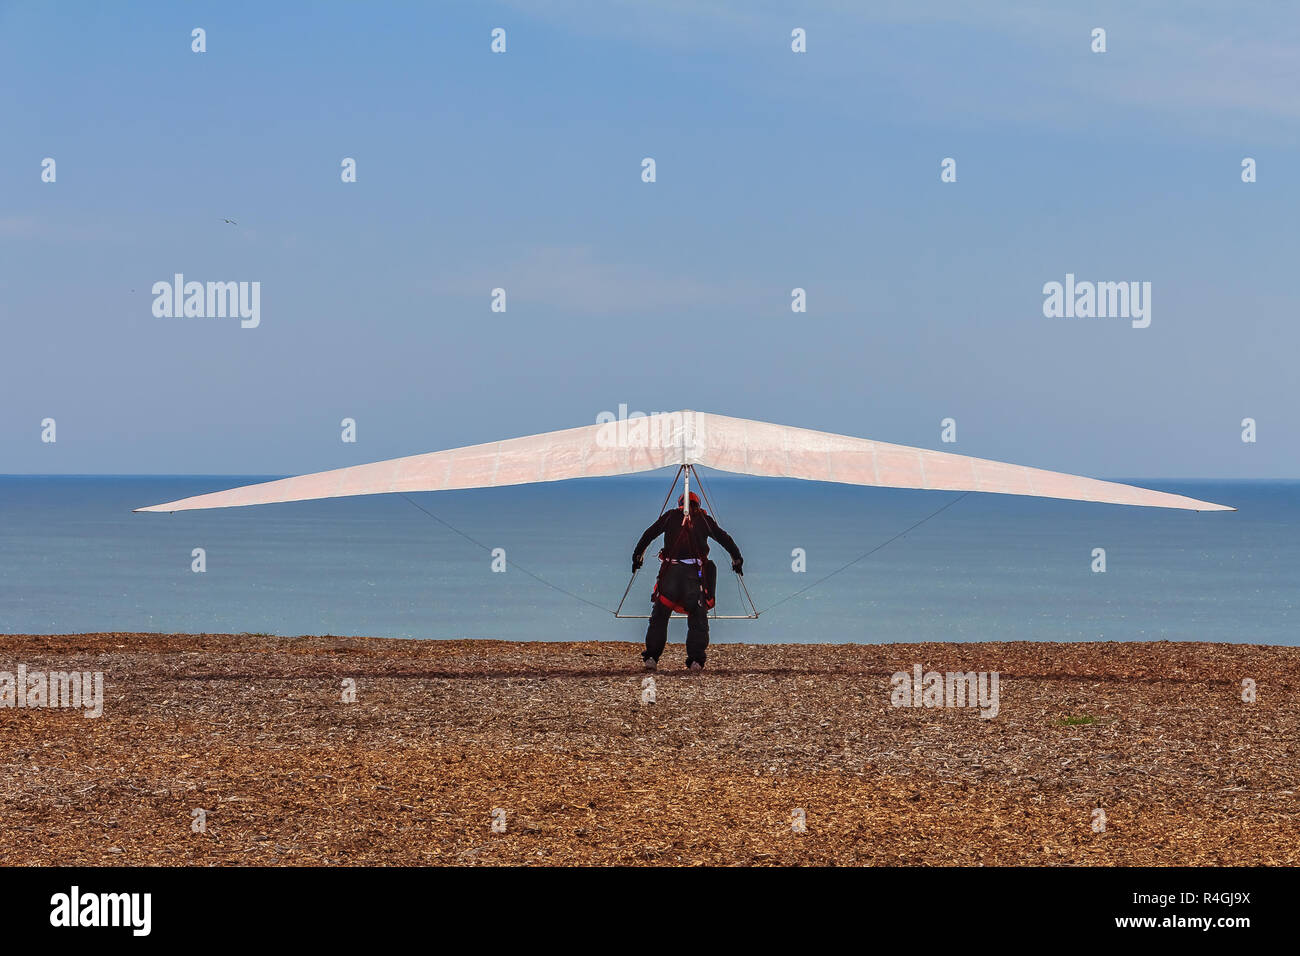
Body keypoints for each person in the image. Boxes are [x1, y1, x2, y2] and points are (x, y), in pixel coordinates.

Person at [631, 490, 743, 671]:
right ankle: (696, 661)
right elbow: (724, 538)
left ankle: (652, 657)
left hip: (671, 575)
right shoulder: (703, 520)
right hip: (693, 577)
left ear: (680, 503)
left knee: (660, 615)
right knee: (698, 617)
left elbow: (649, 534)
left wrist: (637, 557)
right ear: (698, 505)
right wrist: (737, 559)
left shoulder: (671, 517)